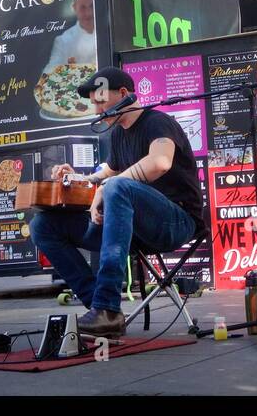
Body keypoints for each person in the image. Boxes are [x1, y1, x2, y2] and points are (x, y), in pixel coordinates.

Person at [31, 67, 203, 338]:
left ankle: (107, 307)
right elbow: (107, 173)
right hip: (129, 228)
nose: (96, 108)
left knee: (119, 187)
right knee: (42, 225)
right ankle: (100, 310)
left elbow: (160, 162)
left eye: (100, 100)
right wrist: (77, 178)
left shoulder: (157, 122)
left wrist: (109, 186)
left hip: (175, 222)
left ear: (123, 94)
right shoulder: (118, 135)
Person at [43, 0, 98, 72]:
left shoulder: (108, 31)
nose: (88, 13)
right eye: (82, 8)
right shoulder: (63, 41)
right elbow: (48, 73)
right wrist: (66, 70)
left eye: (92, 6)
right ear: (74, 8)